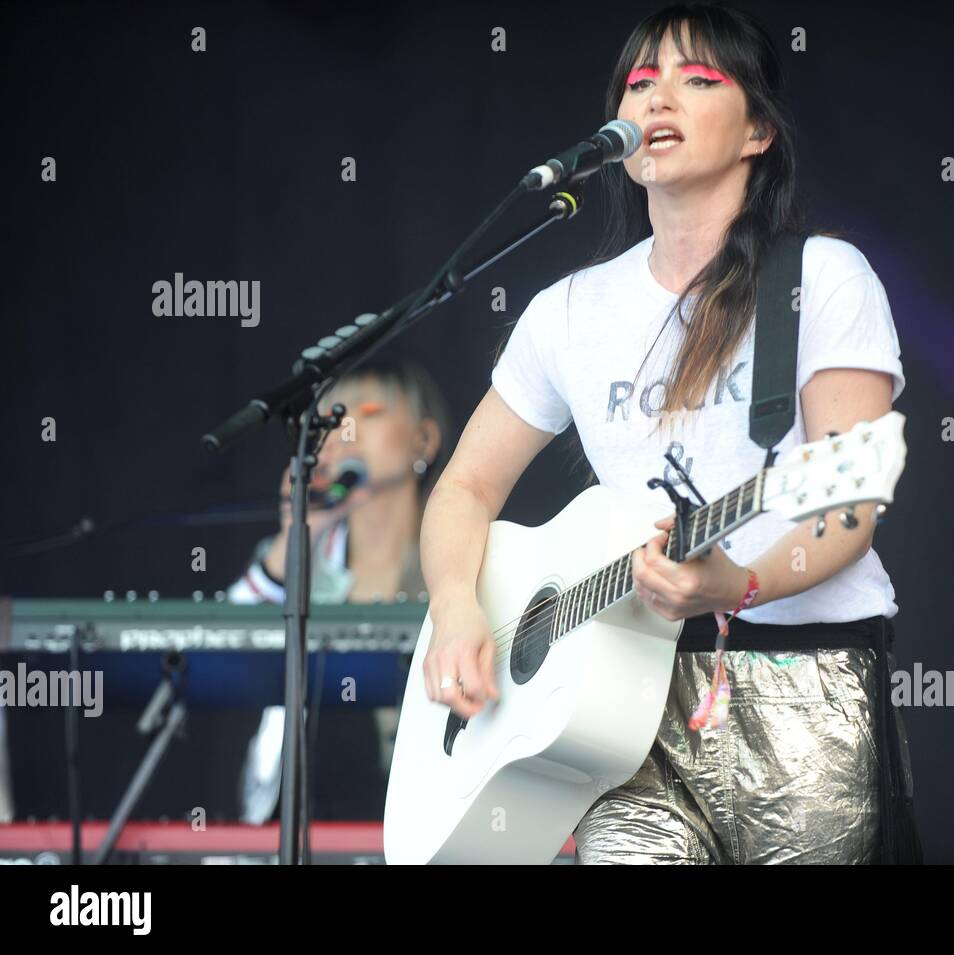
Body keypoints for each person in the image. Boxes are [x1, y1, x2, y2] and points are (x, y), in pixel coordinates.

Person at [419, 3, 915, 863]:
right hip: (619, 699)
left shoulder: (824, 280)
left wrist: (740, 581)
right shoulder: (569, 311)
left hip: (803, 682)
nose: (658, 98)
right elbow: (464, 486)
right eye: (640, 81)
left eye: (697, 78)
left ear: (759, 129)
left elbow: (848, 504)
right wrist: (457, 605)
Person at [228, 360, 455, 823]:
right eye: (335, 417)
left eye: (369, 412)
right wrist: (296, 534)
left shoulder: (458, 557)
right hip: (309, 812)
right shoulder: (304, 556)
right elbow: (222, 646)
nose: (346, 430)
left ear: (424, 441)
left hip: (429, 812)